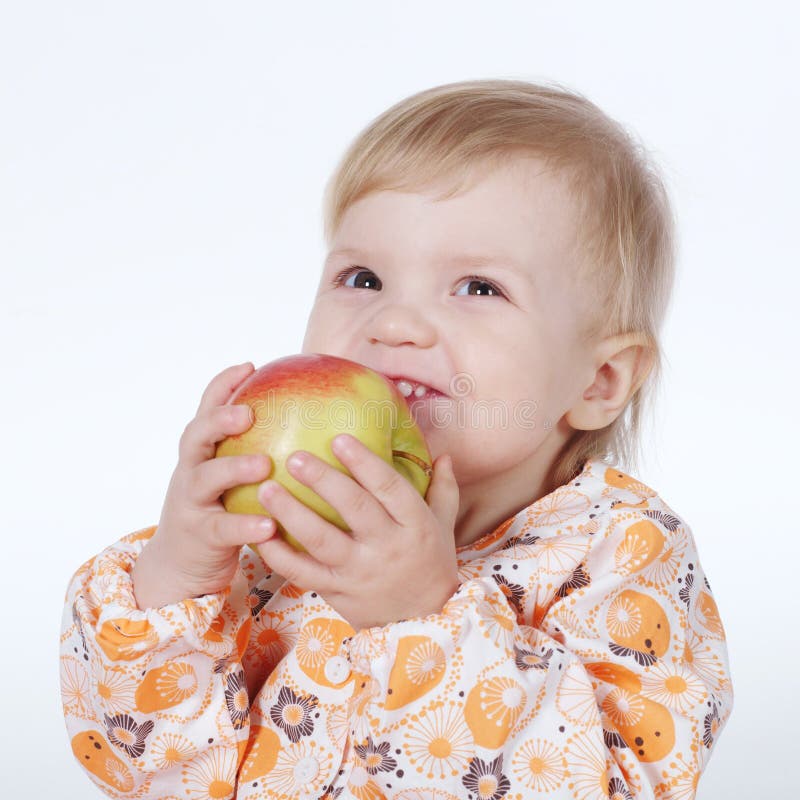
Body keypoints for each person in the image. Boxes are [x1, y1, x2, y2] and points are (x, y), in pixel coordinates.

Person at [60, 79, 732, 799]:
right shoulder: (281, 529)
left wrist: (421, 618)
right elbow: (149, 774)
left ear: (599, 380)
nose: (393, 323)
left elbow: (620, 786)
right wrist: (177, 581)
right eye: (363, 278)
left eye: (478, 288)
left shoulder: (622, 553)